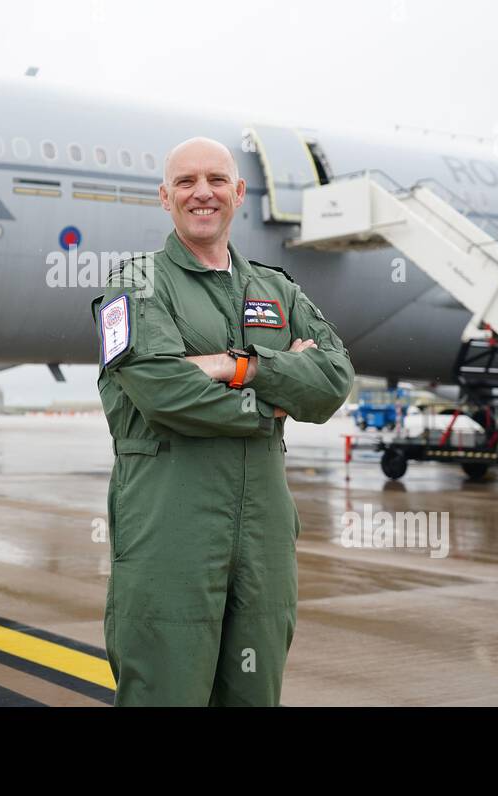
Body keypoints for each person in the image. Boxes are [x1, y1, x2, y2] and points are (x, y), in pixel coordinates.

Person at [92, 135, 354, 706]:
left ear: (237, 193)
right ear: (165, 198)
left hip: (264, 542)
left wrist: (235, 367)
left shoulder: (276, 288)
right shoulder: (136, 283)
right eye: (185, 183)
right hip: (169, 536)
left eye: (215, 181)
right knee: (167, 693)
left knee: (255, 694)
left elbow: (333, 379)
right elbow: (165, 393)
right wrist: (275, 397)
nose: (201, 193)